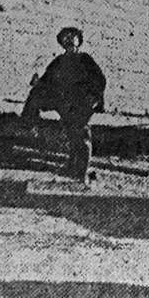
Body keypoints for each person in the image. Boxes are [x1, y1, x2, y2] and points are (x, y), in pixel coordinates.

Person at [22, 26, 107, 183]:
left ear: (79, 41)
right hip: (65, 103)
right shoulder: (58, 62)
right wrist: (37, 83)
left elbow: (99, 80)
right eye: (65, 37)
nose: (69, 40)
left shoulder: (85, 59)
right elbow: (47, 81)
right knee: (71, 134)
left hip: (81, 102)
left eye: (72, 37)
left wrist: (94, 98)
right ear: (61, 42)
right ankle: (73, 168)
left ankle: (81, 173)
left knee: (81, 135)